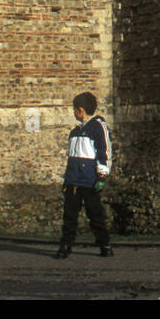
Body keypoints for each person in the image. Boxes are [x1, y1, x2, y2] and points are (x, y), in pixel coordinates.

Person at [55, 92, 113, 259]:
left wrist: (102, 175)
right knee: (69, 216)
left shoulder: (97, 128)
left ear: (80, 110)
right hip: (73, 179)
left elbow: (104, 151)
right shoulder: (74, 132)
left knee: (95, 214)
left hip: (89, 180)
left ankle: (105, 244)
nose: (74, 113)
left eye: (75, 110)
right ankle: (65, 245)